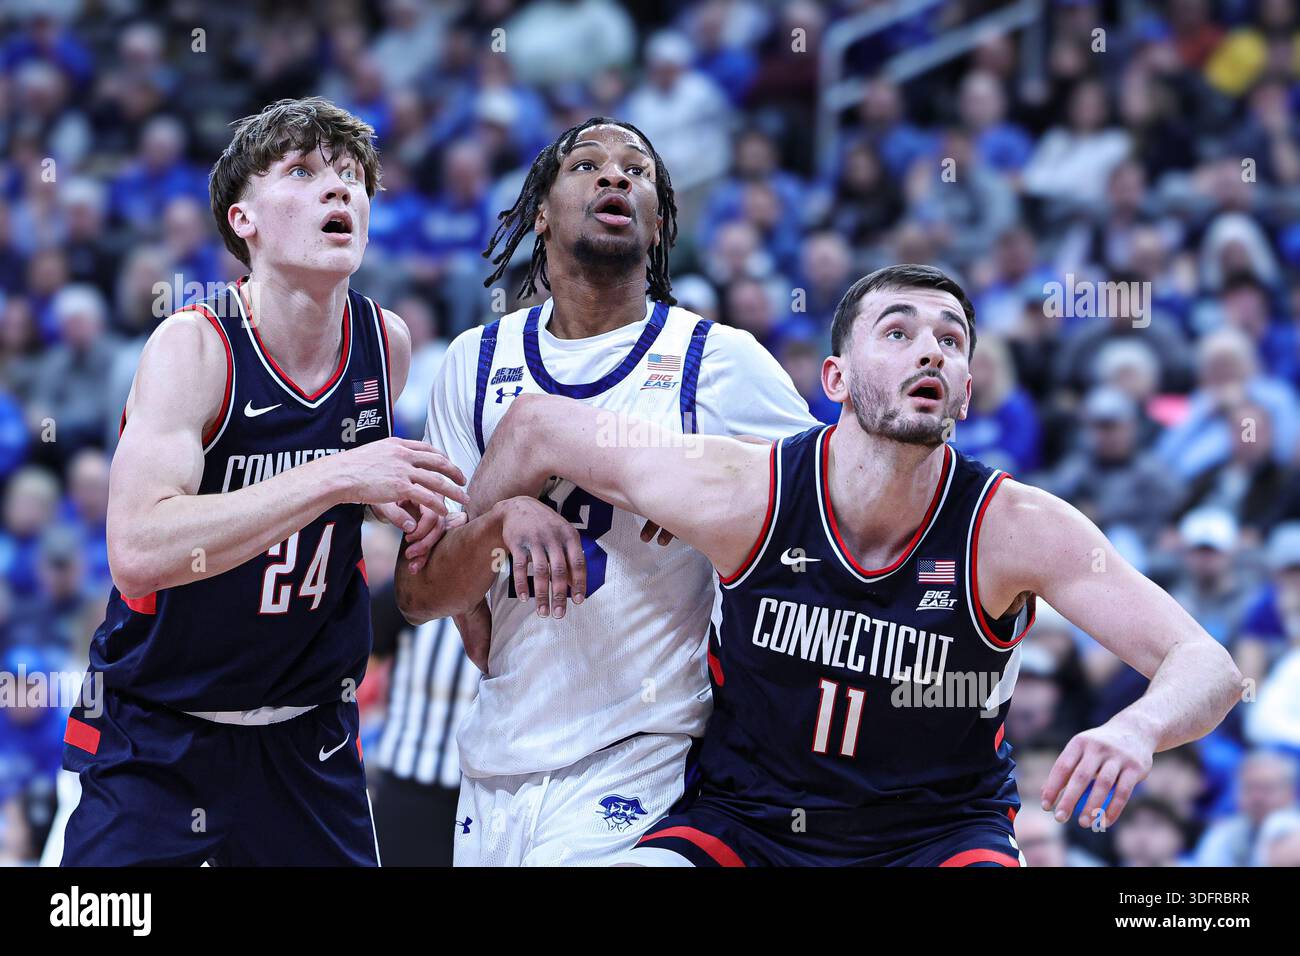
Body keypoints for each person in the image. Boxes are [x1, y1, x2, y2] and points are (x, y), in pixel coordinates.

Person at [467, 264, 1243, 866]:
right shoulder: (745, 490)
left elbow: (1206, 663)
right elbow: (536, 426)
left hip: (935, 835)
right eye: (898, 332)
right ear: (835, 379)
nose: (930, 348)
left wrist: (1139, 728)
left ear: (966, 393)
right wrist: (482, 572)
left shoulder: (1015, 527)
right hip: (748, 823)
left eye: (950, 338)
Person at [394, 117, 817, 866]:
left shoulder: (719, 362)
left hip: (646, 755)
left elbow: (826, 506)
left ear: (658, 225)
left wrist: (717, 489)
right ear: (541, 214)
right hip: (497, 756)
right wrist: (499, 527)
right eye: (586, 165)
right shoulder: (473, 360)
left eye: (639, 172)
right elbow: (420, 593)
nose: (615, 177)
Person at [58, 97, 466, 867]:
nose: (339, 189)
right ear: (242, 219)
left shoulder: (387, 345)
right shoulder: (195, 347)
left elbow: (341, 501)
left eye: (351, 176)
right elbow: (139, 548)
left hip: (308, 738)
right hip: (161, 732)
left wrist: (387, 511)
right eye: (304, 172)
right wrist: (339, 475)